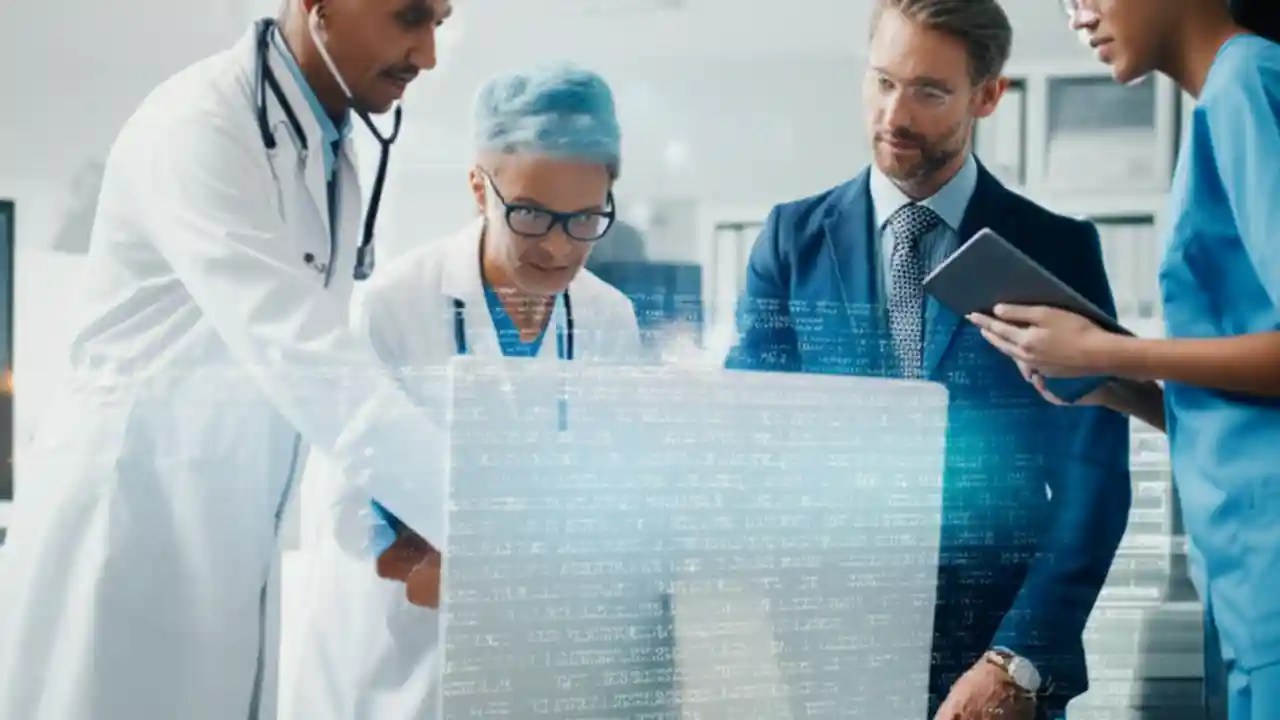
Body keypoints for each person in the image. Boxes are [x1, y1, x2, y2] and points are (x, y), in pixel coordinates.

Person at [0, 1, 457, 719]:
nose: (427, 54)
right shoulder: (198, 125)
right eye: (408, 17)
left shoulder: (328, 147)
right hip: (128, 523)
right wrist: (480, 517)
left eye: (439, 22)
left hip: (224, 533)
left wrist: (405, 503)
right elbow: (305, 356)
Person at [726, 1, 1132, 718]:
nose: (895, 114)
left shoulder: (1057, 250)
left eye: (929, 92)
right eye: (883, 81)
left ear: (988, 95)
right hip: (831, 658)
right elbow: (748, 443)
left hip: (1000, 668)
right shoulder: (790, 242)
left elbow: (1092, 480)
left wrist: (1017, 660)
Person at [285, 63, 643, 720]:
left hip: (540, 668)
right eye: (531, 215)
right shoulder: (394, 305)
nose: (558, 247)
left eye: (585, 219)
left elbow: (616, 493)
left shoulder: (609, 319)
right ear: (480, 187)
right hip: (405, 665)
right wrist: (488, 580)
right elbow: (350, 508)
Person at [969, 1, 1280, 718]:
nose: (1079, 17)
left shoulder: (1246, 82)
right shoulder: (1218, 104)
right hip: (1242, 584)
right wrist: (1116, 387)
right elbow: (1242, 415)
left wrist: (1104, 348)